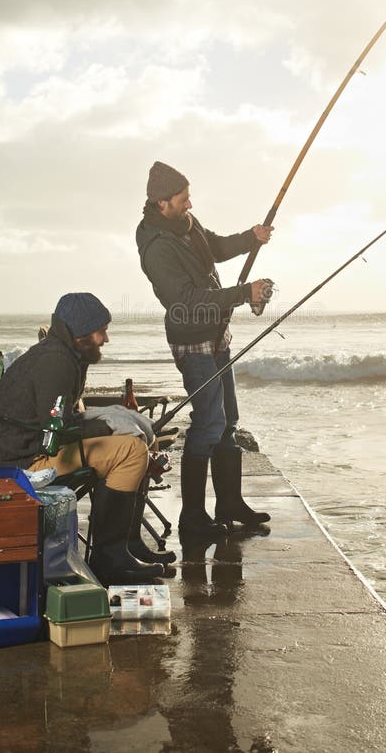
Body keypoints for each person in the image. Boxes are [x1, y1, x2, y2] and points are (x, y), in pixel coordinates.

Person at [0, 291, 175, 586]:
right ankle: (109, 559)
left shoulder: (65, 354)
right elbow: (58, 427)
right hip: (31, 463)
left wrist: (115, 419)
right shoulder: (56, 362)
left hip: (38, 448)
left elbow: (61, 418)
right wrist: (109, 425)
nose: (106, 339)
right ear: (81, 334)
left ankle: (127, 545)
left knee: (141, 440)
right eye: (101, 331)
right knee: (131, 450)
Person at [136, 161, 274, 538]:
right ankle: (193, 518)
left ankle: (229, 503)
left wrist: (252, 237)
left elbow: (215, 246)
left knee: (228, 420)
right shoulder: (155, 248)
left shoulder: (186, 225)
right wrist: (244, 293)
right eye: (183, 199)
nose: (190, 204)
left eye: (189, 196)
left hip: (217, 335)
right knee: (208, 423)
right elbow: (187, 298)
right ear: (162, 203)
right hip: (191, 340)